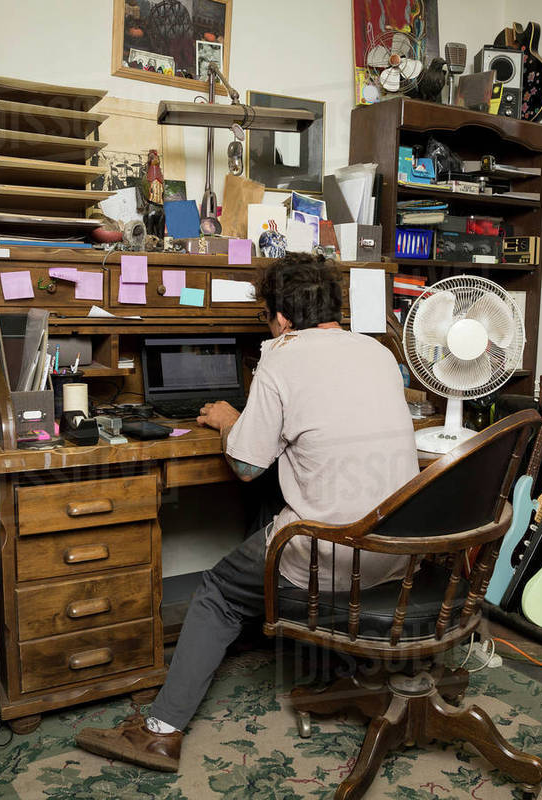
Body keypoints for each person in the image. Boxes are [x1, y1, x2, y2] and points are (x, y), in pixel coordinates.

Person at [75, 253, 419, 772]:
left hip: (333, 554)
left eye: (266, 316)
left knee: (215, 593)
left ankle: (161, 731)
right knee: (272, 511)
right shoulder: (377, 353)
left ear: (280, 319)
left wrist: (228, 419)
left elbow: (244, 466)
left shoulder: (282, 357)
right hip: (397, 551)